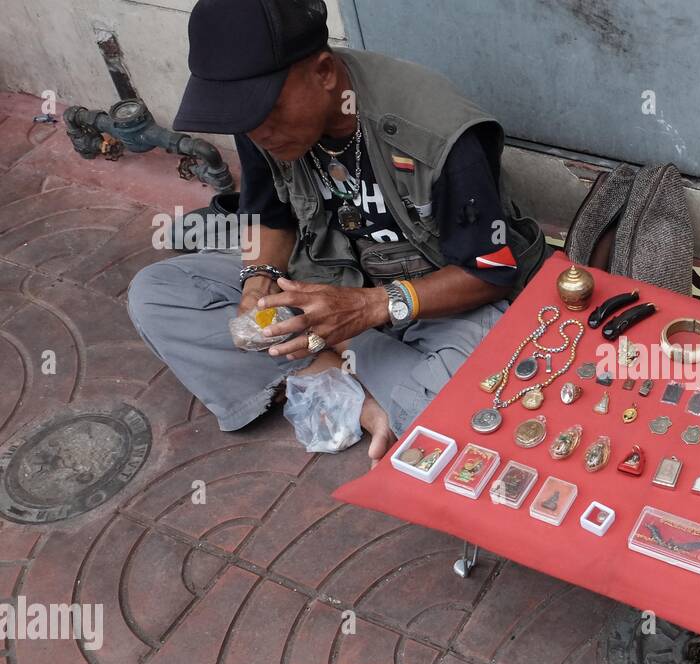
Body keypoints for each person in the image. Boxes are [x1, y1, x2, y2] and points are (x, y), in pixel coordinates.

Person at [127, 0, 545, 464]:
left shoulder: (435, 133)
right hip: (323, 279)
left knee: (476, 408)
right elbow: (271, 216)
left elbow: (490, 274)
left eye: (265, 111)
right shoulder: (258, 121)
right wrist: (258, 280)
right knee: (157, 293)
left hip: (430, 301)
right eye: (241, 116)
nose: (256, 131)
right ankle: (359, 394)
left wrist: (363, 309)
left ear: (324, 72)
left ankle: (328, 366)